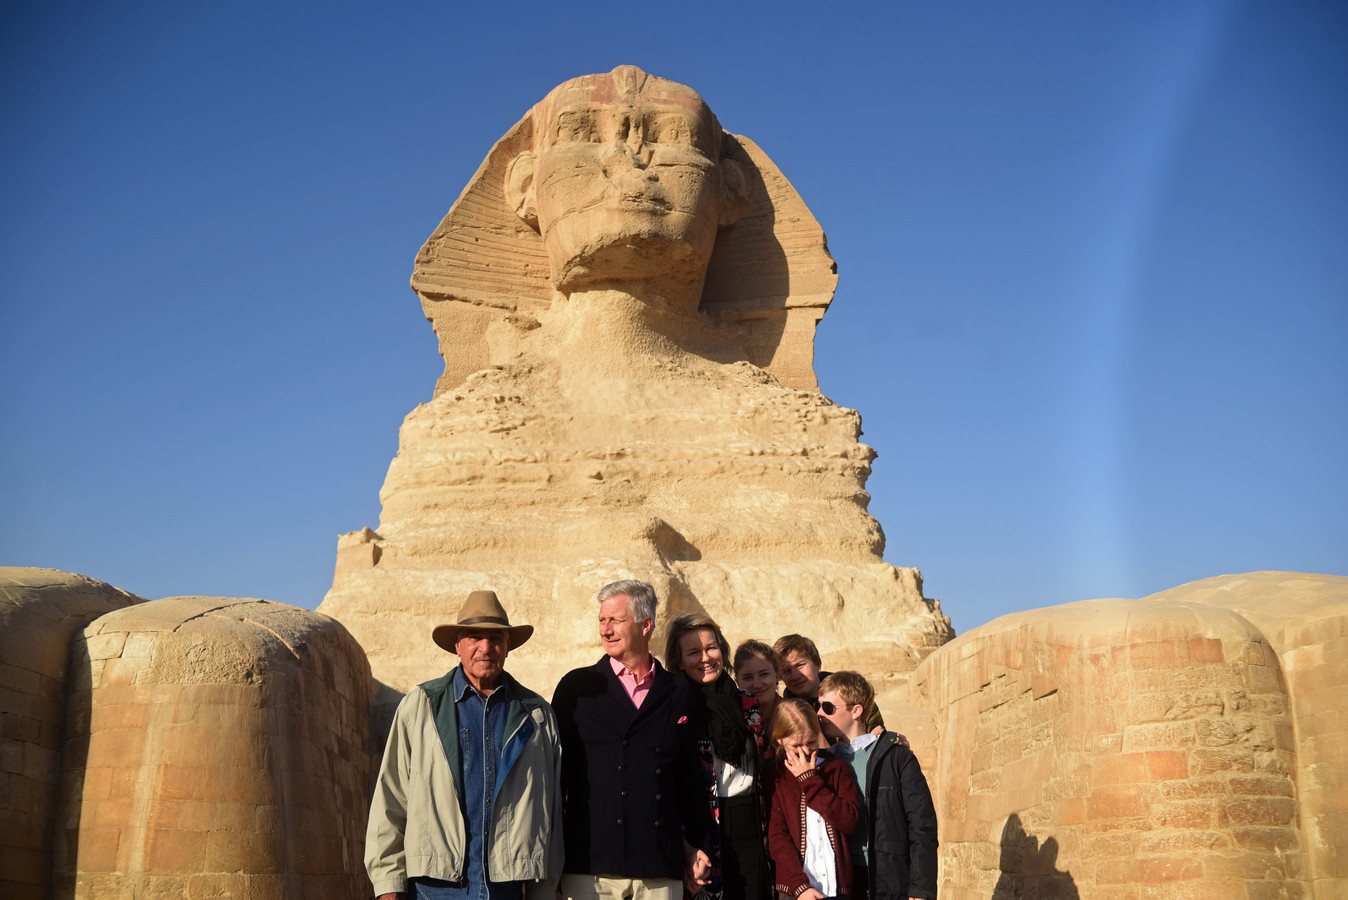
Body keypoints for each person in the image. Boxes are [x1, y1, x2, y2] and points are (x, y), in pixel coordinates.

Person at [365, 590, 562, 900]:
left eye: (496, 638)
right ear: (457, 645)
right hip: (434, 888)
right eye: (474, 637)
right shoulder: (421, 706)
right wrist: (388, 884)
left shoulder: (536, 715)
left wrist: (546, 887)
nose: (486, 647)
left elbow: (550, 809)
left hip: (507, 889)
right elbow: (391, 796)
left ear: (507, 645)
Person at [552, 580, 714, 900]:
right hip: (590, 867)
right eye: (602, 620)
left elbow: (689, 782)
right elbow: (557, 781)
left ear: (645, 624)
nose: (606, 629)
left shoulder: (678, 693)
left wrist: (696, 848)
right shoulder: (577, 688)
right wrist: (551, 861)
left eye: (616, 620)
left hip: (659, 866)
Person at [665, 615, 772, 900]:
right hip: (703, 827)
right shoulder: (674, 708)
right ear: (678, 661)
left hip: (752, 823)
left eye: (711, 648)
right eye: (693, 652)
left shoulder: (748, 702)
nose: (705, 658)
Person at [816, 672, 937, 900]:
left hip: (888, 880)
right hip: (838, 881)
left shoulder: (896, 756)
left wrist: (921, 889)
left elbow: (922, 825)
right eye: (818, 706)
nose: (819, 713)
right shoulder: (823, 762)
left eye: (828, 708)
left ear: (856, 711)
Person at [765, 699, 861, 900]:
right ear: (780, 740)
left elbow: (849, 821)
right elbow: (777, 837)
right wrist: (800, 887)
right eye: (796, 745)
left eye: (811, 742)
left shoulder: (838, 769)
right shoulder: (776, 776)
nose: (806, 750)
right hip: (795, 891)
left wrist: (809, 780)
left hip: (837, 887)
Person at [773, 634, 885, 734]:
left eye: (800, 665)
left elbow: (878, 735)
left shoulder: (854, 696)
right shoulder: (783, 714)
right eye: (787, 671)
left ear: (817, 664)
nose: (795, 676)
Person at [732, 640, 782, 724]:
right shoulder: (731, 720)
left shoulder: (797, 714)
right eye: (748, 678)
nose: (757, 685)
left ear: (777, 676)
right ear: (737, 682)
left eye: (764, 674)